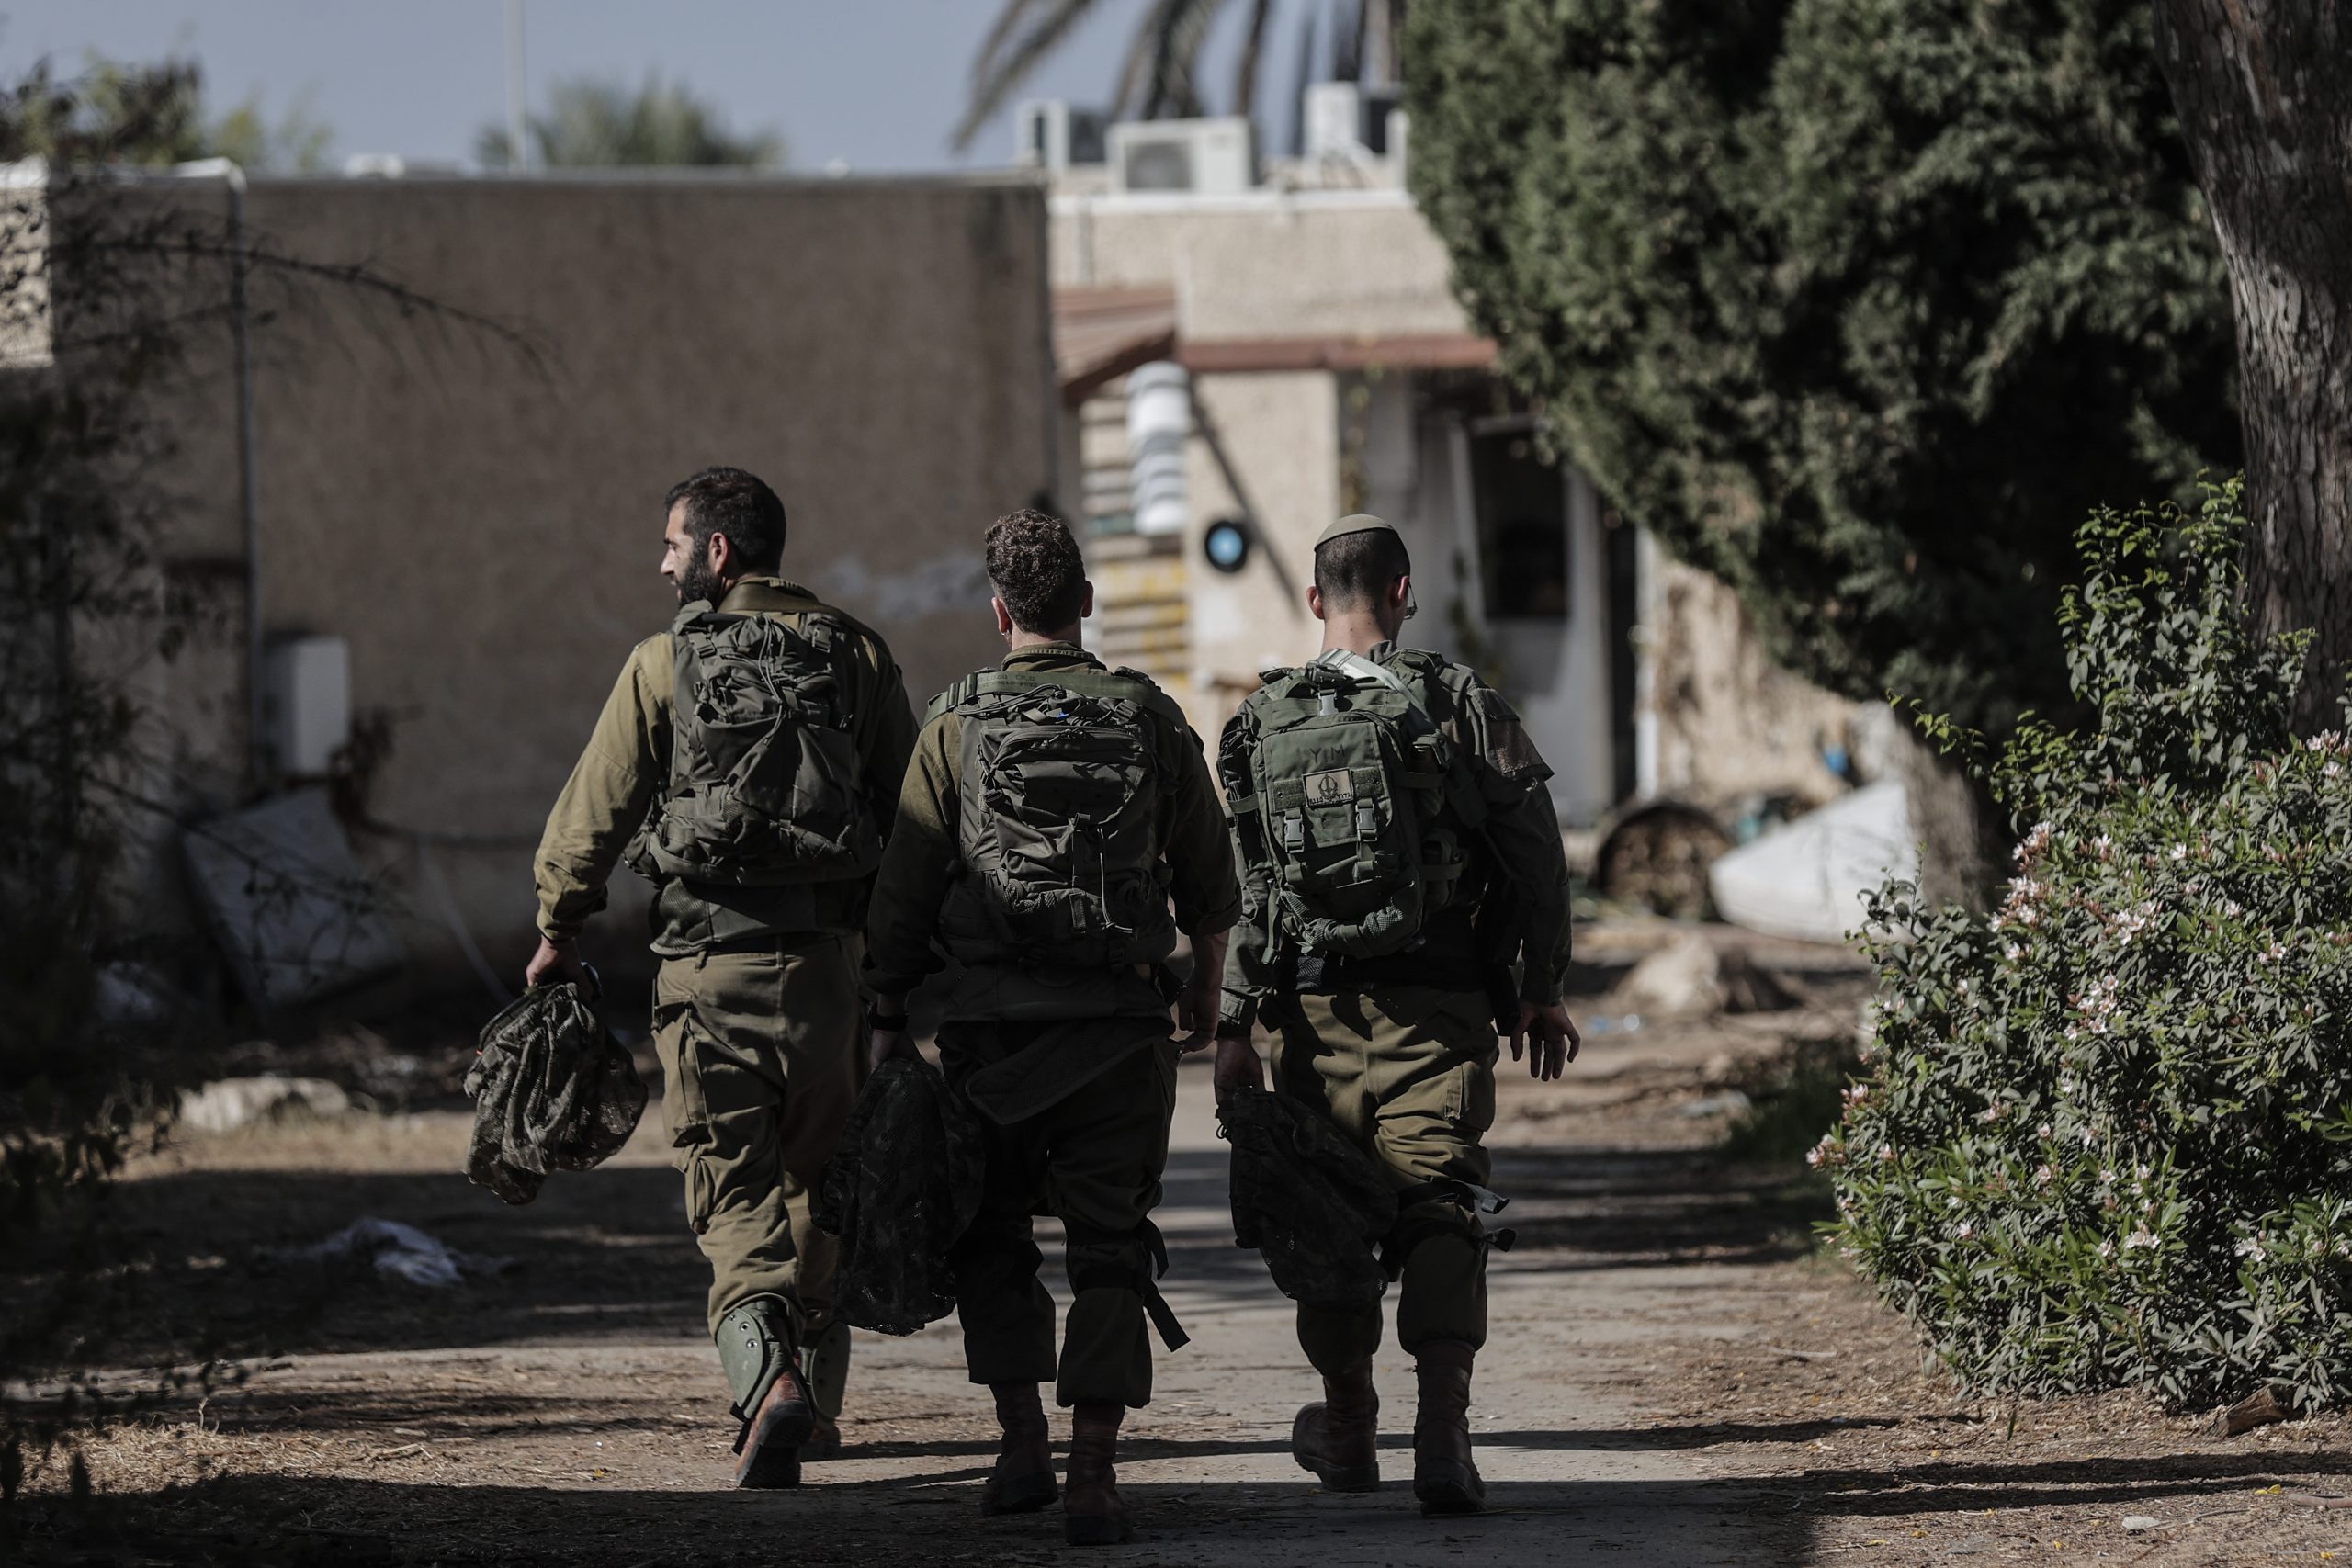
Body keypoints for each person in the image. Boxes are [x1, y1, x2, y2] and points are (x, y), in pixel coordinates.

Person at [526, 466, 915, 1488]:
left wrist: (558, 928)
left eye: (670, 544)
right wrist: (900, 970)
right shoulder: (859, 655)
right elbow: (913, 824)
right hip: (831, 973)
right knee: (821, 1185)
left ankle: (769, 1382)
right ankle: (817, 1407)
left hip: (705, 973)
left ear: (718, 553)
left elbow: (590, 818)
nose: (660, 562)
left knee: (731, 1189)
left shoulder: (662, 666)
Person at [864, 508, 1239, 1547]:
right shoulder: (1150, 718)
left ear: (998, 614)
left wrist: (889, 1015)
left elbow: (903, 892)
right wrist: (1204, 986)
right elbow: (1211, 881)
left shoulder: (954, 725)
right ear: (1085, 603)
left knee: (992, 1238)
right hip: (1120, 1034)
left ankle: (1021, 1442)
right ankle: (1094, 1473)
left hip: (991, 1038)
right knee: (1110, 1248)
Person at [1212, 513, 1580, 1517]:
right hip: (1439, 1007)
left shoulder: (1258, 724)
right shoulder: (1457, 701)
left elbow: (1248, 894)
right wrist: (1542, 986)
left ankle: (1344, 1424)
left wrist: (1232, 1026)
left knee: (1324, 1214)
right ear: (1404, 591)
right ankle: (1444, 1434)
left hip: (1307, 1015)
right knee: (1443, 1205)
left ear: (1313, 601)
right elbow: (1538, 856)